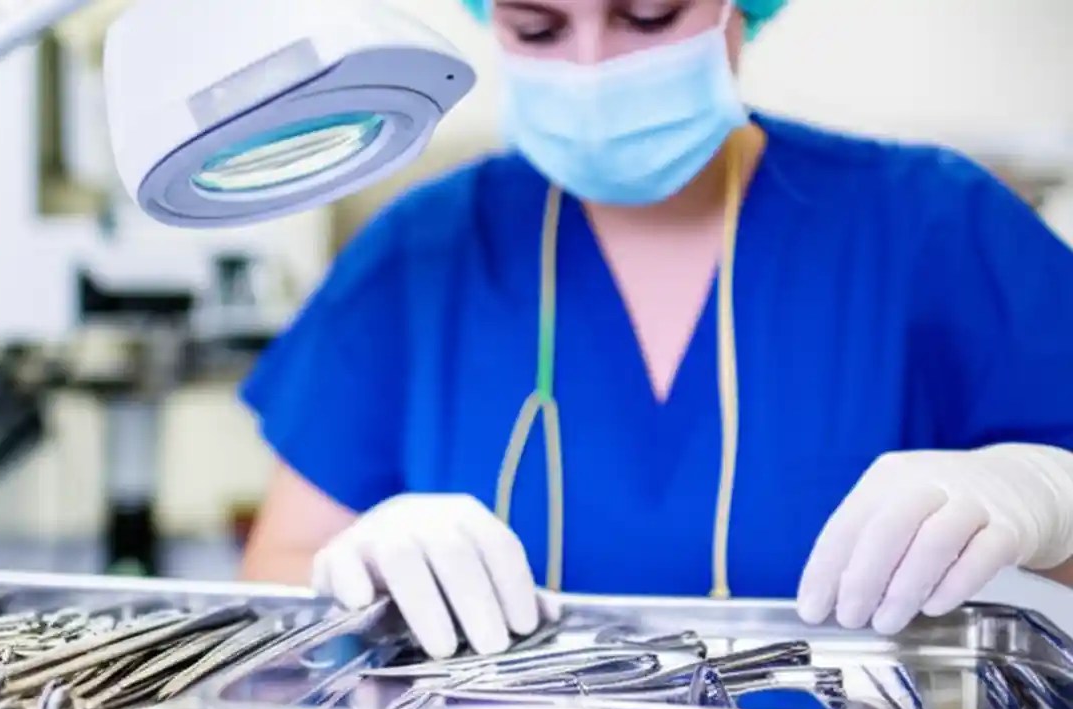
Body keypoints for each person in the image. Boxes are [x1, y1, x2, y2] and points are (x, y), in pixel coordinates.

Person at [238, 0, 1073, 659]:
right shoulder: (419, 253)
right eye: (539, 25)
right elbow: (274, 581)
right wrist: (357, 581)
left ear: (738, 8)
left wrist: (1045, 499)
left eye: (647, 17)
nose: (592, 70)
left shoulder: (932, 227)